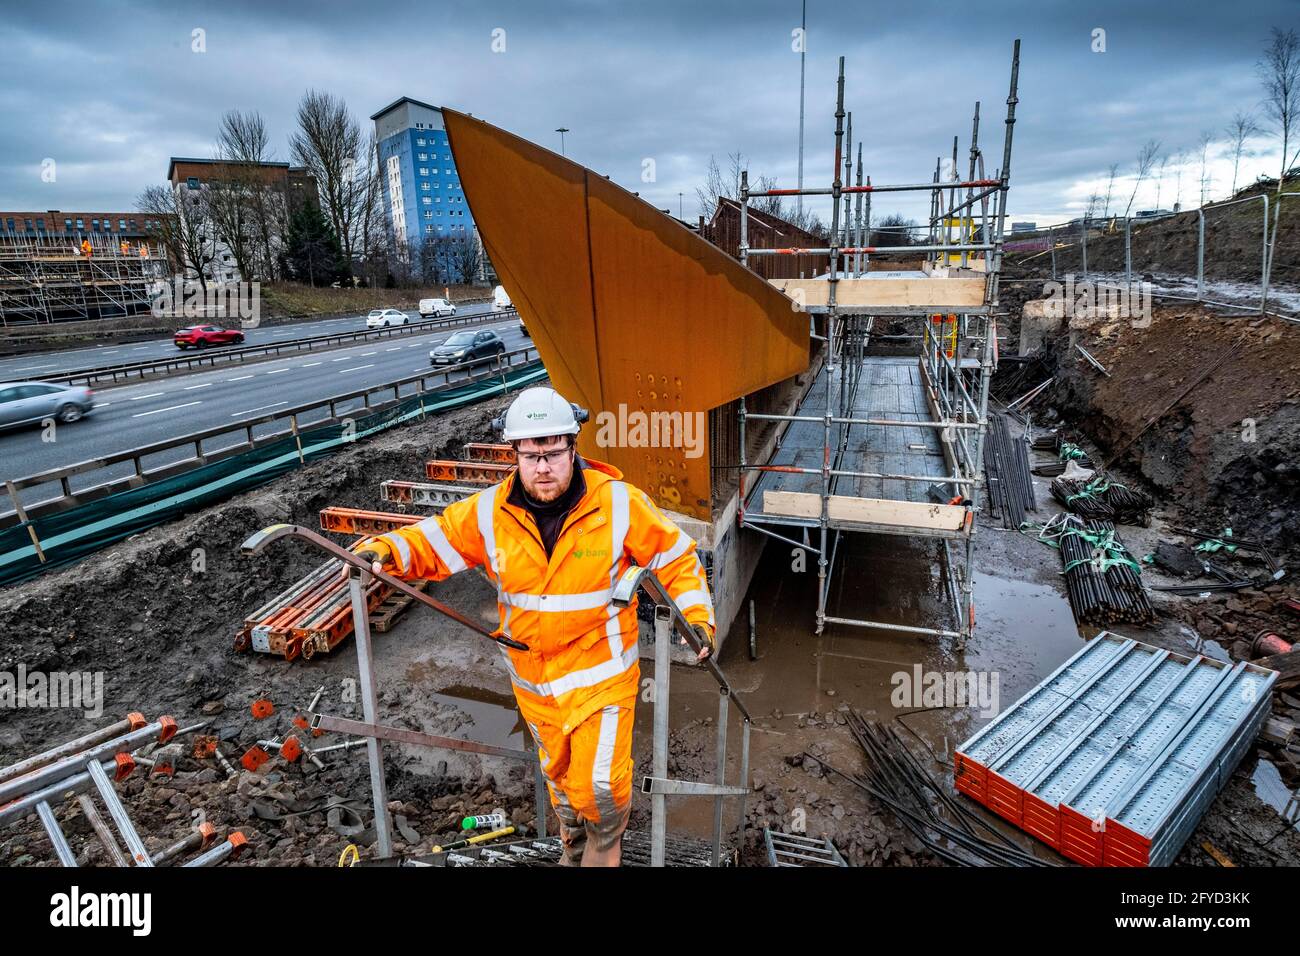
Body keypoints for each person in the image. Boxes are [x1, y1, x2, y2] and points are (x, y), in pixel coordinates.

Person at [350, 386, 716, 866]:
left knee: (600, 784)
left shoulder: (618, 505)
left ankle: (607, 840)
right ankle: (573, 840)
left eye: (552, 452)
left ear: (573, 447)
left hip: (600, 676)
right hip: (534, 684)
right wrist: (384, 550)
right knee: (562, 781)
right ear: (515, 454)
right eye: (530, 454)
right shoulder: (489, 513)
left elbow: (676, 559)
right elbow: (433, 539)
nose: (542, 466)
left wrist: (697, 620)